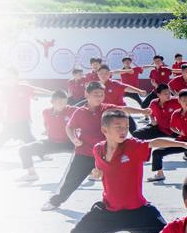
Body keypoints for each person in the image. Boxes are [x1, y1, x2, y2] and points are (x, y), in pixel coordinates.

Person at [52, 109, 187, 233]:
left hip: (138, 211)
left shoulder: (133, 146)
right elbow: (100, 169)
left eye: (126, 126)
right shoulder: (98, 149)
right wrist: (97, 173)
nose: (123, 130)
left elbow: (154, 142)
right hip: (108, 210)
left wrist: (183, 144)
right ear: (104, 130)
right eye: (118, 126)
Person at [42, 82, 150, 211]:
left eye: (101, 94)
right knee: (71, 179)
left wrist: (142, 111)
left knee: (118, 180)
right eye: (95, 94)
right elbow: (69, 127)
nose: (99, 97)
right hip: (84, 153)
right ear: (87, 94)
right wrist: (74, 139)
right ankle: (55, 201)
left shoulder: (107, 109)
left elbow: (123, 109)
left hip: (106, 154)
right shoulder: (80, 112)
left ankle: (128, 204)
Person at [18, 90, 79, 182]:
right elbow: (47, 125)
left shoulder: (73, 110)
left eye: (65, 102)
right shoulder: (45, 112)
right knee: (24, 149)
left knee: (92, 149)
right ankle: (32, 174)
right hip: (52, 142)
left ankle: (94, 172)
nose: (63, 105)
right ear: (52, 102)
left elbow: (87, 112)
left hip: (70, 143)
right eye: (60, 103)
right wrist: (47, 131)